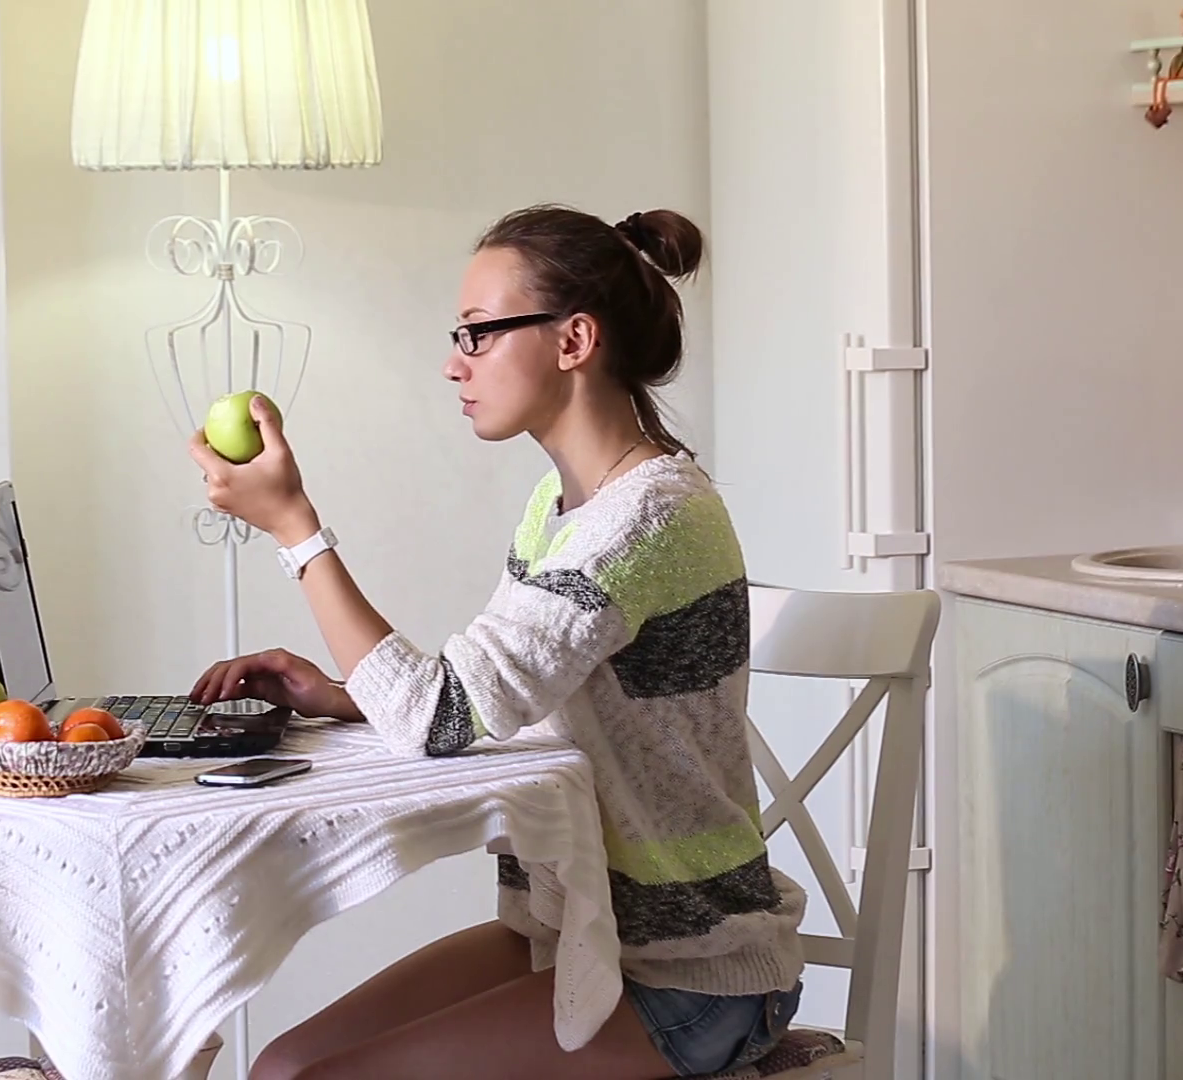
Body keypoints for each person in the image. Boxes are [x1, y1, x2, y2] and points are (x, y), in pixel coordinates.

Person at [184, 204, 808, 1080]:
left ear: (573, 340)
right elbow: (483, 699)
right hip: (575, 933)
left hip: (694, 975)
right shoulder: (561, 514)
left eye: (477, 334)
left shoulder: (647, 522)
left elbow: (441, 715)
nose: (454, 364)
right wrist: (344, 694)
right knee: (282, 1066)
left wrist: (296, 529)